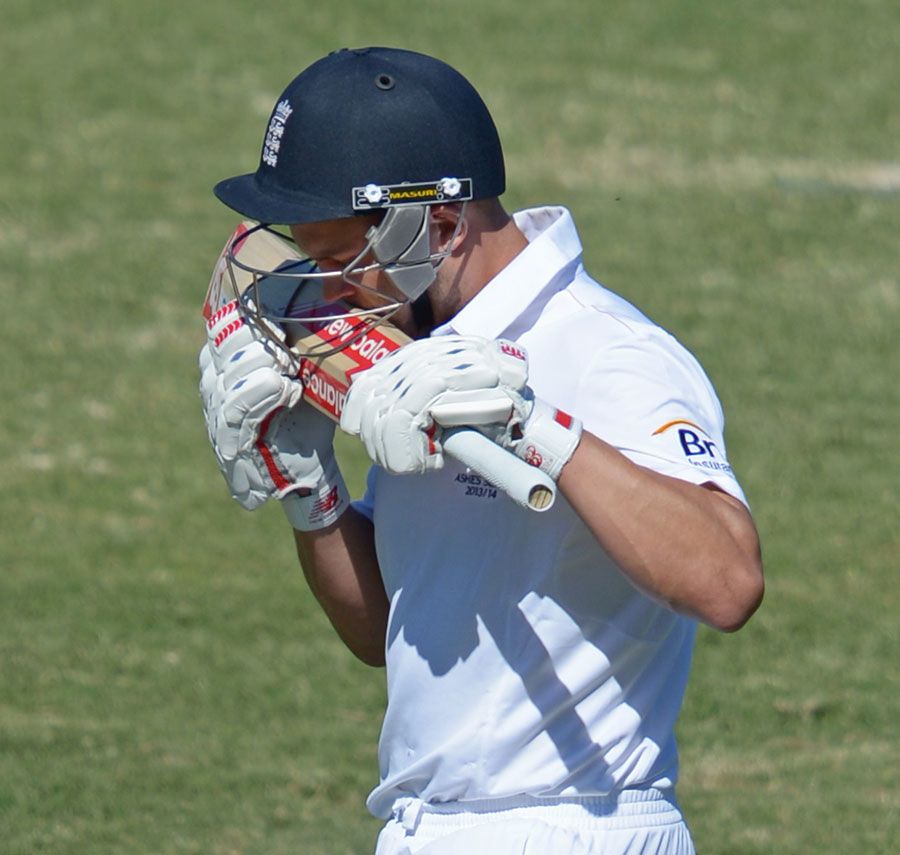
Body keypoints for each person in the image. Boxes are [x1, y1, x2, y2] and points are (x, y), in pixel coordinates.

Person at [199, 47, 764, 855]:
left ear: (437, 224)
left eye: (338, 261)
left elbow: (727, 581)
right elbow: (385, 633)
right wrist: (309, 490)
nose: (324, 294)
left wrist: (535, 425)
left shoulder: (609, 353)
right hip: (429, 826)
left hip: (574, 824)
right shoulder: (426, 360)